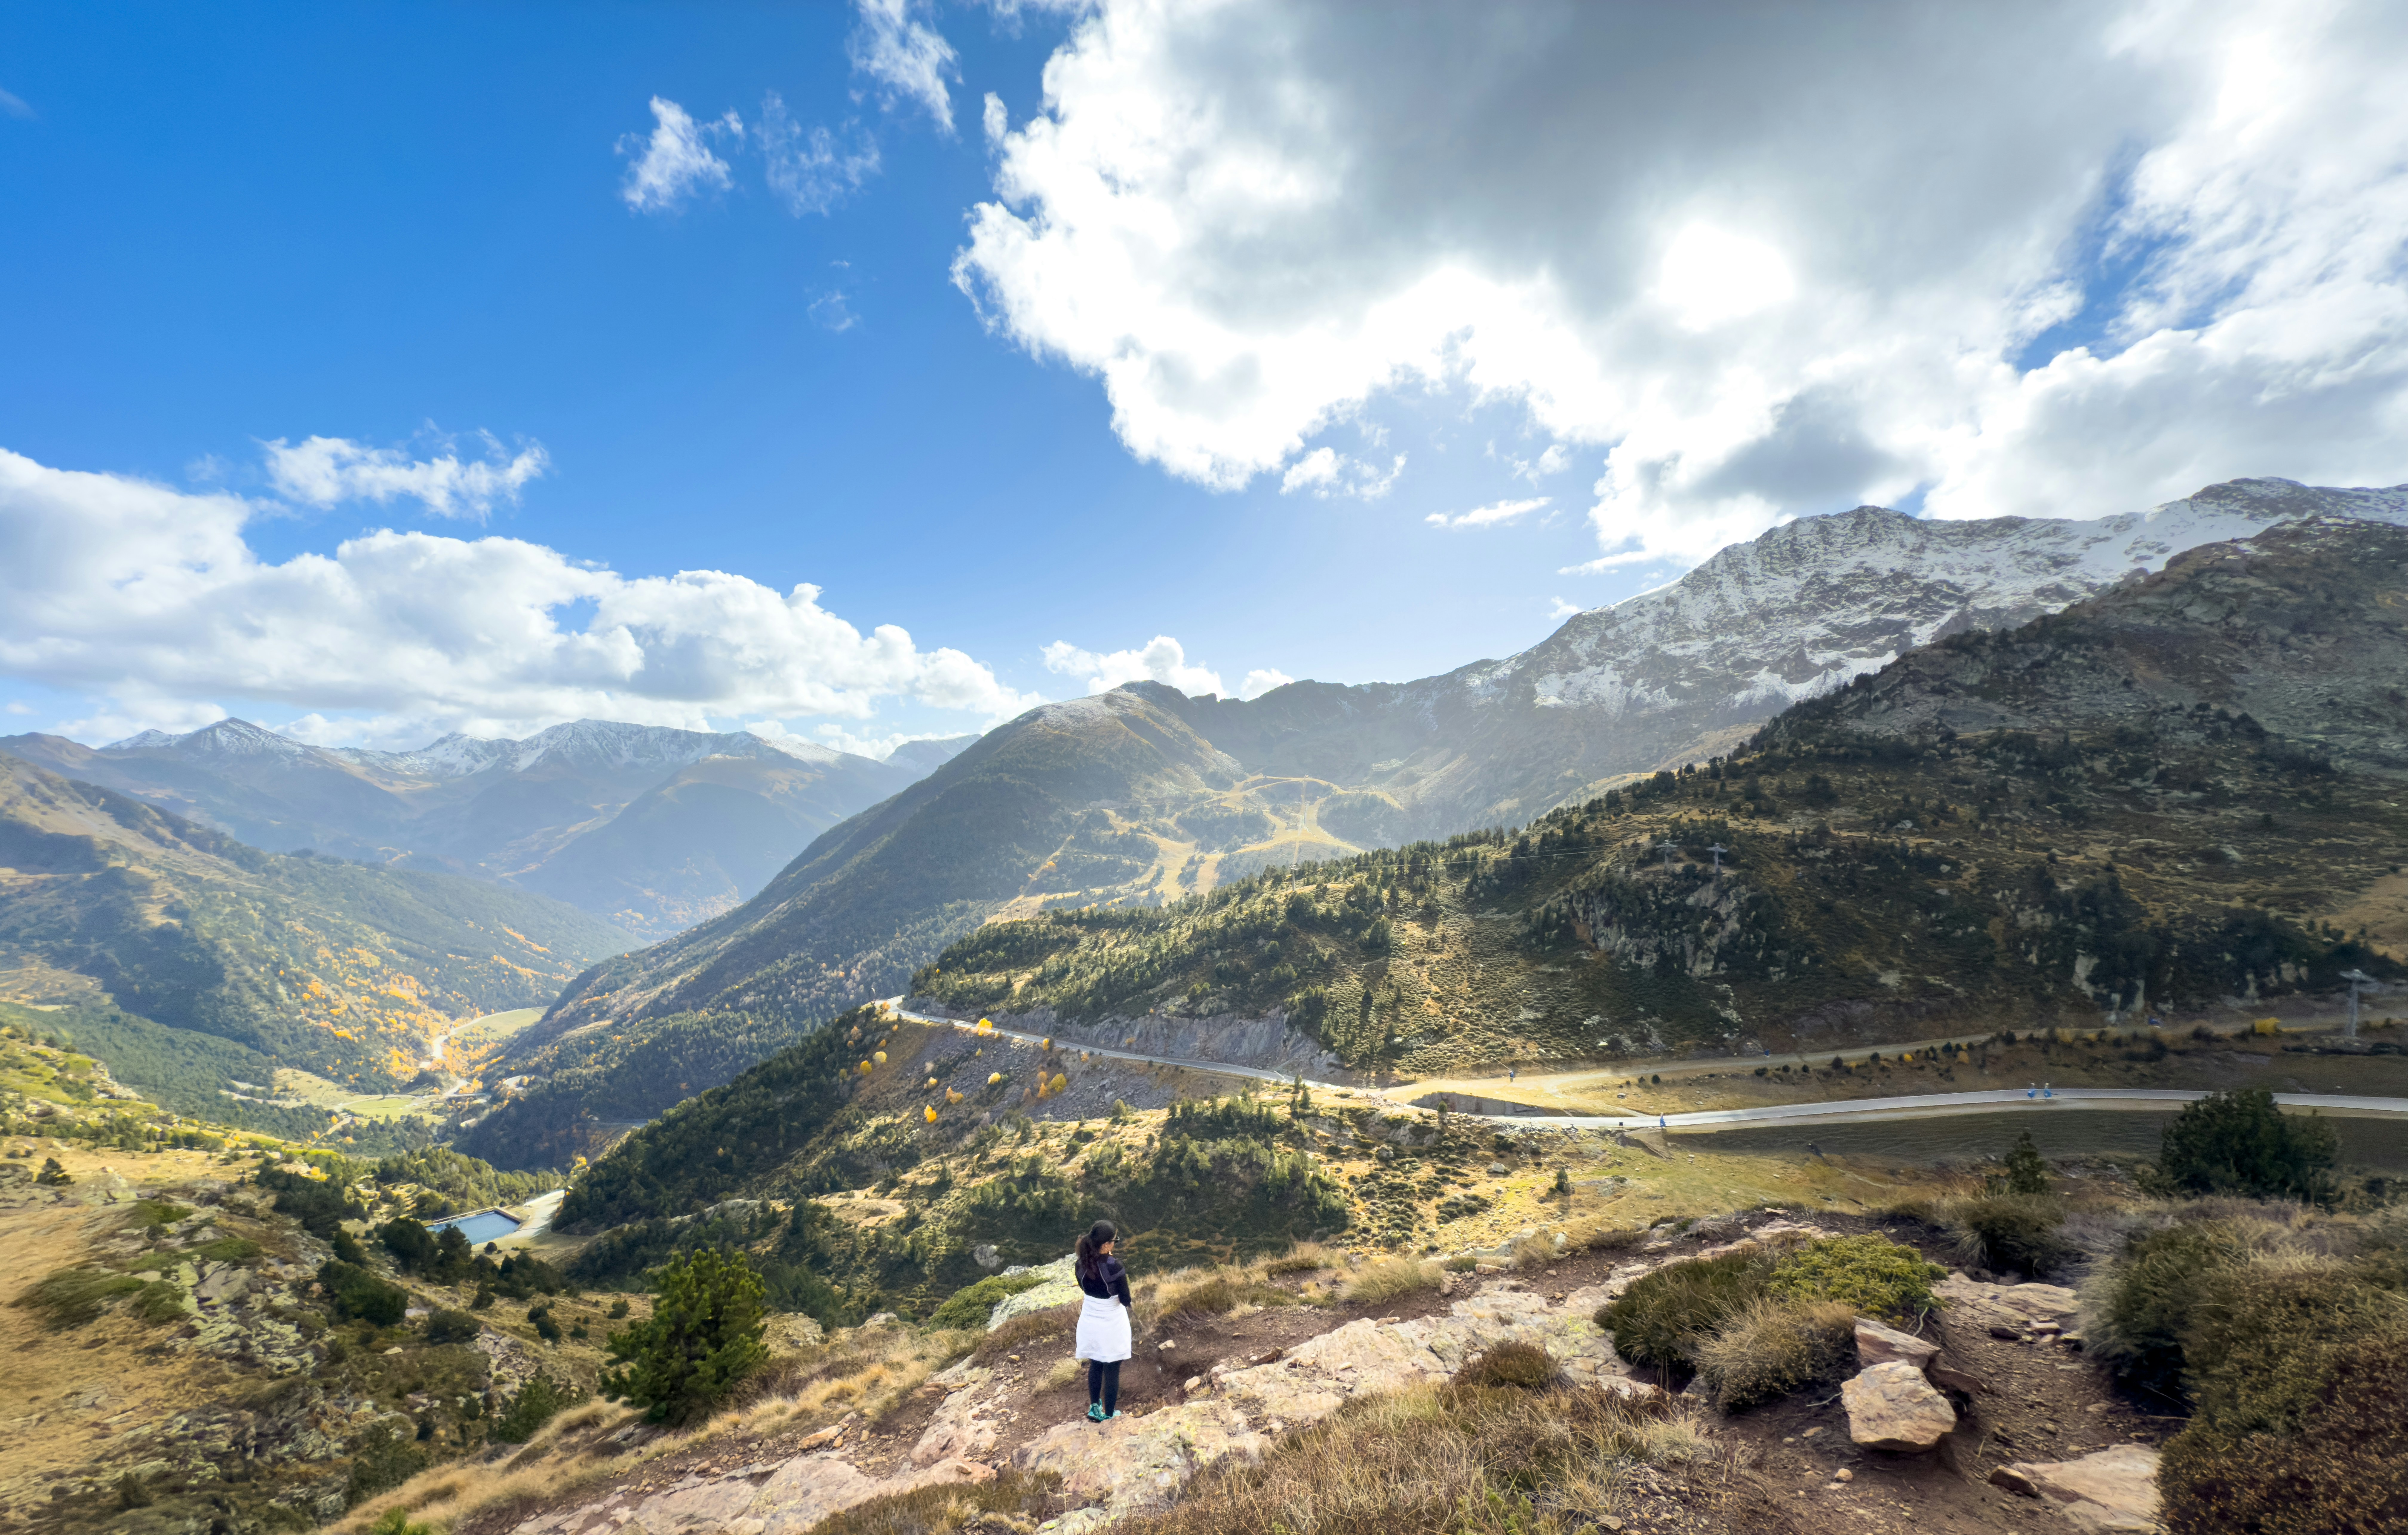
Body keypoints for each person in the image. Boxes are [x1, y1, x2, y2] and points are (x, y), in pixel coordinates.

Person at [1074, 1219, 1132, 1423]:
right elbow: (1126, 1300)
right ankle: (1110, 1414)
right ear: (1106, 1245)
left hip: (1090, 1318)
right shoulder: (1114, 1266)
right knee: (1112, 1368)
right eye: (1114, 1241)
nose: (1115, 1244)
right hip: (1112, 1321)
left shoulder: (1081, 1263)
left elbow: (1085, 1288)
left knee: (1096, 1363)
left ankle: (1094, 1409)